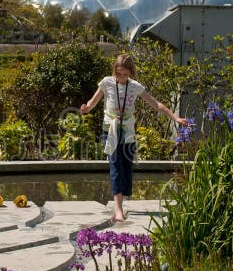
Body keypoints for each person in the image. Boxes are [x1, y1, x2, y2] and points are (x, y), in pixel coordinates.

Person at [80, 54, 188, 223]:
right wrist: (87, 108)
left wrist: (175, 118)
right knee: (115, 167)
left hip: (128, 130)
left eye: (125, 74)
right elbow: (93, 101)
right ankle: (118, 209)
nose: (121, 77)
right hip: (111, 130)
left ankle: (122, 200)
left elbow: (156, 104)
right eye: (118, 73)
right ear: (114, 71)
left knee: (126, 168)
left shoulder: (135, 87)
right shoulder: (107, 82)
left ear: (131, 72)